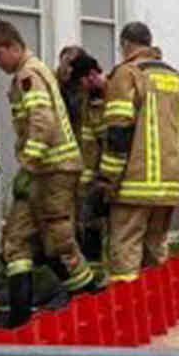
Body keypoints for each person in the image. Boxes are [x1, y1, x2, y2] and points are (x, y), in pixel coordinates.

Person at [0, 19, 94, 326]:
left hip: (53, 171)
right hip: (45, 171)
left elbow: (42, 123)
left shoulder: (29, 74)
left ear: (13, 47)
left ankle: (91, 301)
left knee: (59, 243)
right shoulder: (31, 72)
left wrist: (28, 167)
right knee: (16, 241)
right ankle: (19, 321)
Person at [98, 21, 179, 283]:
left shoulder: (127, 74)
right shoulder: (176, 78)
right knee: (155, 253)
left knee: (125, 255)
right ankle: (156, 313)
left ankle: (128, 317)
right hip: (169, 184)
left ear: (126, 44)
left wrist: (107, 180)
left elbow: (118, 133)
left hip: (134, 185)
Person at [61, 50, 109, 277]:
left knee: (110, 233)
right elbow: (89, 146)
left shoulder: (113, 96)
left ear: (90, 76)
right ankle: (97, 279)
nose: (80, 89)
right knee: (90, 228)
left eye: (81, 82)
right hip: (95, 177)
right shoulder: (89, 103)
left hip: (111, 177)